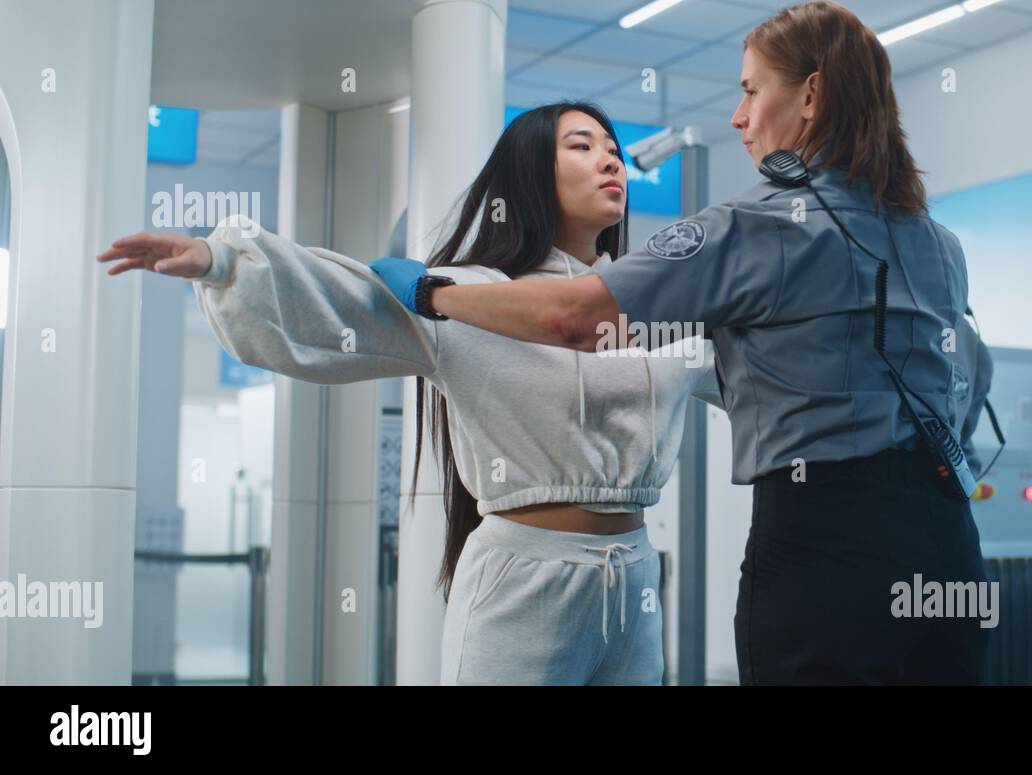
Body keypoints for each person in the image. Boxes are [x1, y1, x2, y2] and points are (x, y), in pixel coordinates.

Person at [375, 2, 995, 685]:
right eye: (580, 147)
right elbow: (970, 380)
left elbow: (576, 319)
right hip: (945, 546)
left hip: (827, 546)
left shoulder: (758, 227)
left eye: (752, 91)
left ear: (810, 95)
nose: (738, 117)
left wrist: (429, 292)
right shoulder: (940, 244)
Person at [97, 101, 722, 685]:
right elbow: (344, 294)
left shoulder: (654, 307)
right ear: (529, 176)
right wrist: (221, 260)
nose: (611, 159)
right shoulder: (472, 295)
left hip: (633, 576)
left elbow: (751, 369)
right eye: (582, 146)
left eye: (612, 148)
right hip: (525, 581)